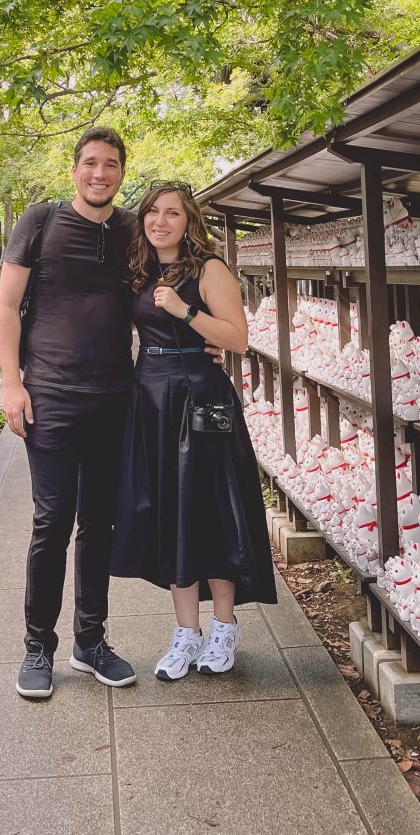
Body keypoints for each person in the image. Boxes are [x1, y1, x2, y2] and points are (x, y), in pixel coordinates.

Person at [0, 127, 139, 699]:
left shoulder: (133, 231)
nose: (99, 173)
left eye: (110, 165)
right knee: (51, 522)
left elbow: (160, 295)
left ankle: (91, 641)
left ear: (122, 172)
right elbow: (7, 306)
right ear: (74, 169)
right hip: (50, 394)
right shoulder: (41, 221)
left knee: (99, 522)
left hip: (113, 397)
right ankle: (38, 646)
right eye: (90, 163)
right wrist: (12, 383)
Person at [110, 181, 277, 681]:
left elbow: (238, 339)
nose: (161, 222)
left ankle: (223, 627)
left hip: (206, 398)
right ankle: (186, 633)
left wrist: (185, 312)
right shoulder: (138, 271)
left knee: (213, 507)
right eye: (153, 213)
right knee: (170, 510)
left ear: (189, 222)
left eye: (173, 214)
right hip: (154, 400)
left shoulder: (210, 269)